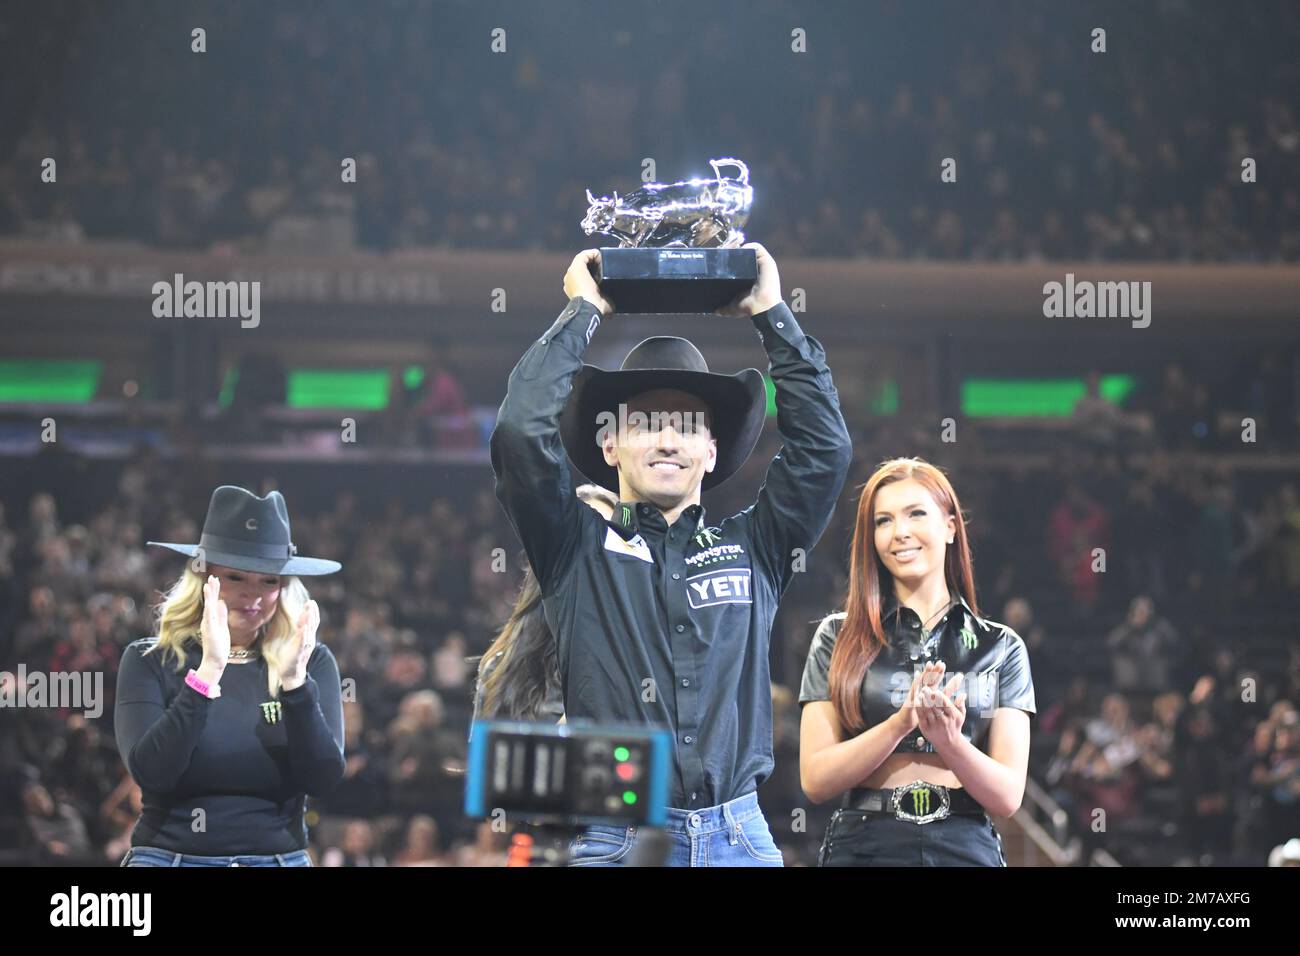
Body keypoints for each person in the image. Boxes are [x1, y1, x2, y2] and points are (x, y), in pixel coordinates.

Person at [490, 244, 853, 866]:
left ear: (711, 452)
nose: (667, 439)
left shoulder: (756, 544)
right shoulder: (571, 542)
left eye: (687, 425)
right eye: (647, 422)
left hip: (740, 835)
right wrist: (582, 310)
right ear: (609, 444)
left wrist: (772, 314)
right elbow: (521, 433)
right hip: (617, 835)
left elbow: (825, 452)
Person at [799, 457, 1036, 866]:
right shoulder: (837, 637)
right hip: (864, 845)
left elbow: (1008, 797)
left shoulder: (1001, 646)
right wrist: (900, 724)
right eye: (883, 521)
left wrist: (949, 742)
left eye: (916, 514)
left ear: (950, 526)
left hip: (965, 845)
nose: (900, 533)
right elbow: (816, 780)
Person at [114, 485, 345, 866]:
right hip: (170, 858)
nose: (252, 595)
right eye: (236, 577)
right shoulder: (149, 659)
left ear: (284, 588)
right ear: (204, 579)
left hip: (277, 860)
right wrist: (208, 673)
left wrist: (295, 686)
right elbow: (152, 772)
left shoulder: (310, 662)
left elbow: (322, 779)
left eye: (269, 580)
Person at [469, 483, 618, 729]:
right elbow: (485, 764)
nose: (593, 550)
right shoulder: (500, 668)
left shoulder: (642, 660)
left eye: (606, 535)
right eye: (580, 535)